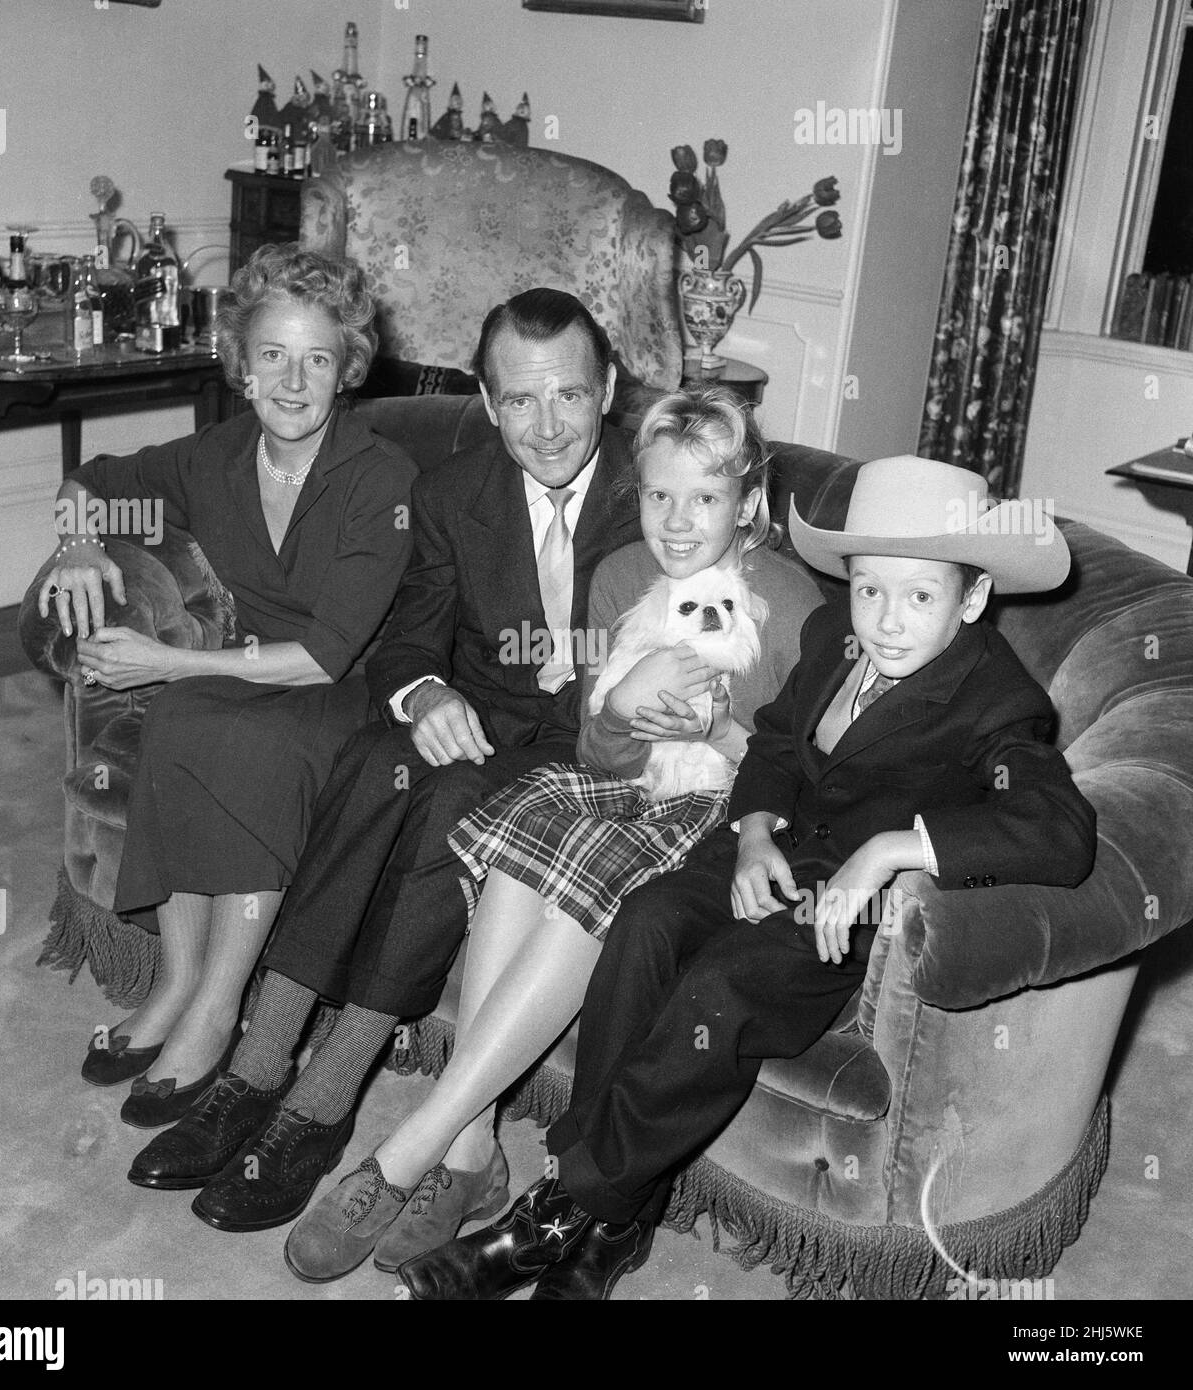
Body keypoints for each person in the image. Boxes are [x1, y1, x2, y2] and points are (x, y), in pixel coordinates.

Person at [399, 454, 1100, 1301]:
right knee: (646, 919)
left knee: (722, 987)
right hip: (763, 853)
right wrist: (758, 829)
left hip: (838, 913)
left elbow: (1062, 831)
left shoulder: (998, 697)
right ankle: (617, 1222)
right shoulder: (832, 638)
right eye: (869, 590)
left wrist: (889, 852)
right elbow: (771, 742)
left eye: (921, 596)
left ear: (973, 598)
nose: (887, 621)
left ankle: (556, 1214)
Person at [275, 386, 825, 1283]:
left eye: (705, 498)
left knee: (584, 879)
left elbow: (807, 768)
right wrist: (624, 708)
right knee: (525, 837)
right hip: (621, 780)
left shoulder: (792, 603)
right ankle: (474, 1148)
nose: (677, 522)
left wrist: (718, 730)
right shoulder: (619, 578)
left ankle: (413, 1147)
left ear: (748, 503)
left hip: (719, 804)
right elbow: (594, 751)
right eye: (659, 495)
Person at [126, 288, 643, 1229]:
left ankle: (324, 1099)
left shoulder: (658, 491)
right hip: (478, 718)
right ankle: (257, 1067)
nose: (546, 426)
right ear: (486, 403)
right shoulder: (452, 492)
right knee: (374, 761)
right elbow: (409, 640)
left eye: (569, 395)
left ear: (607, 388)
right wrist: (427, 694)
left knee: (447, 805)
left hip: (595, 747)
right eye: (519, 400)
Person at [41, 243, 416, 1129]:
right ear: (242, 364)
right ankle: (175, 985)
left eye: (317, 359)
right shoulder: (215, 456)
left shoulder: (380, 478)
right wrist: (78, 544)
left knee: (246, 738)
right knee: (178, 721)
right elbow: (88, 482)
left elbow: (325, 657)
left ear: (347, 370)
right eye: (273, 354)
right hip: (249, 667)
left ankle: (218, 1007)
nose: (293, 380)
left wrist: (169, 659)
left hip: (352, 687)